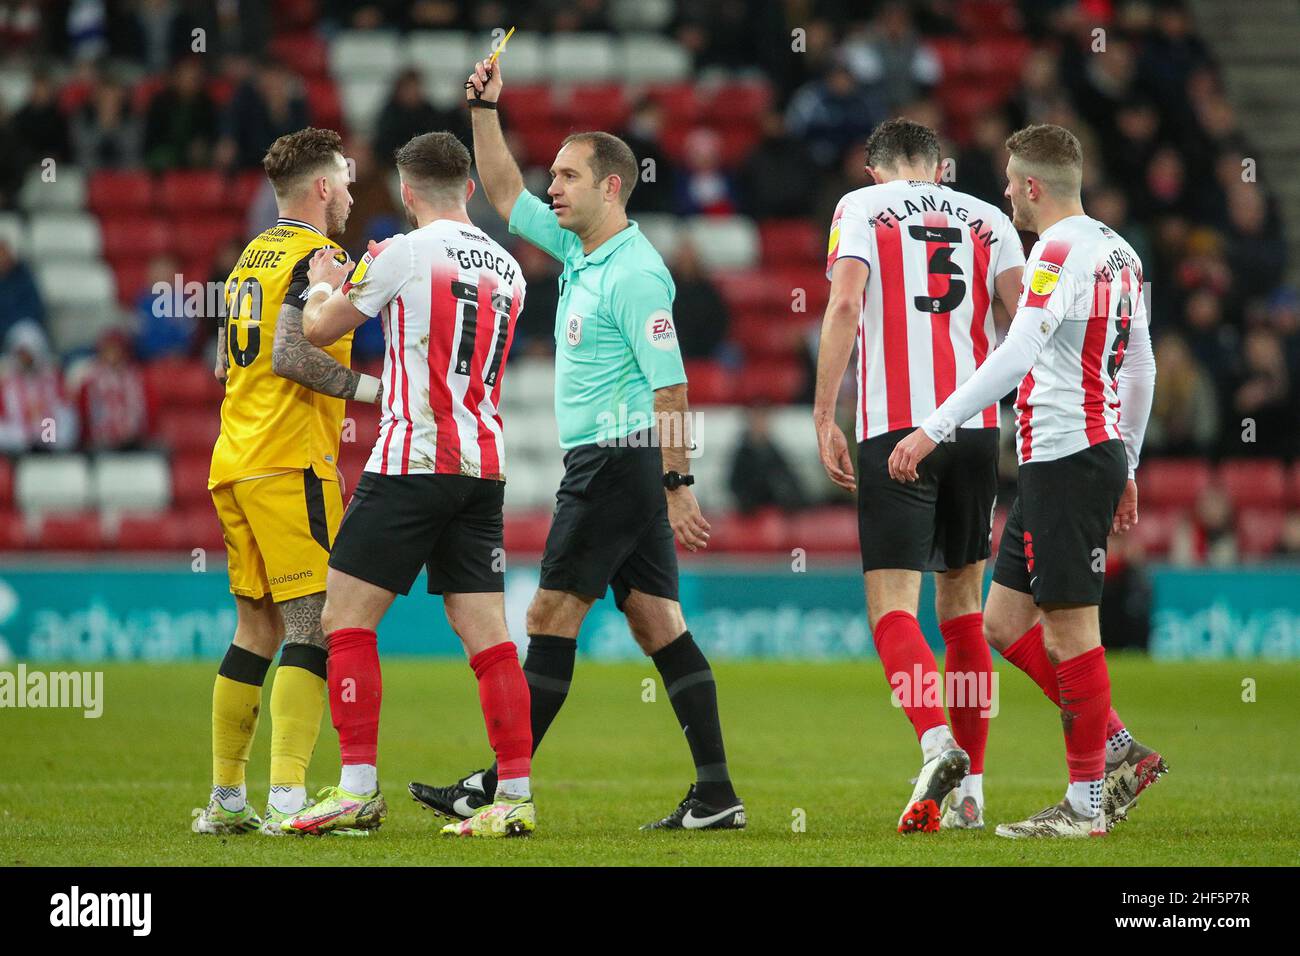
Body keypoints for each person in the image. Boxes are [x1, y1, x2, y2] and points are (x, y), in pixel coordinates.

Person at [410, 56, 746, 832]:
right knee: (659, 624)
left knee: (549, 615)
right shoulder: (578, 253)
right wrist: (486, 110)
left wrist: (678, 483)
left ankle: (498, 785)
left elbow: (673, 386)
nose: (550, 185)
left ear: (610, 187)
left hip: (617, 463)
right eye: (553, 174)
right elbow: (500, 193)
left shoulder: (635, 274)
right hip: (610, 462)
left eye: (566, 175)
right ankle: (716, 793)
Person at [889, 124, 1168, 837]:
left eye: (1012, 181)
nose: (1005, 190)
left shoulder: (1057, 252)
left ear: (1033, 186)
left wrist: (933, 427)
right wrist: (1127, 461)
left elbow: (1017, 354)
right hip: (1085, 454)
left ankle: (1084, 807)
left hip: (1067, 458)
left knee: (1072, 628)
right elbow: (1140, 370)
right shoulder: (1120, 251)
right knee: (1004, 623)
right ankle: (1117, 750)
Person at [280, 132, 536, 839]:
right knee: (487, 634)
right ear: (471, 190)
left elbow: (319, 328)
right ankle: (514, 793)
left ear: (406, 192)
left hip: (412, 458)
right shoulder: (511, 269)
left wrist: (327, 280)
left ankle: (358, 785)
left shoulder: (400, 252)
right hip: (482, 467)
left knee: (346, 619)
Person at [814, 118, 1026, 833]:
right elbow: (1025, 320)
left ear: (876, 170)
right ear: (940, 168)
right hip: (975, 431)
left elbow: (844, 304)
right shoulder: (990, 216)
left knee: (893, 612)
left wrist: (822, 416)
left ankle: (937, 743)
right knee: (963, 613)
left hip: (896, 428)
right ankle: (974, 794)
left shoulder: (862, 207)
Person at [191, 127, 384, 837]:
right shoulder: (321, 255)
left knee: (256, 627)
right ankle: (289, 800)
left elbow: (223, 362)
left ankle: (227, 799)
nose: (354, 194)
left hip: (234, 458)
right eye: (346, 181)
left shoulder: (251, 255)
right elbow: (291, 356)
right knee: (317, 626)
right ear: (323, 188)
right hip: (287, 459)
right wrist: (372, 393)